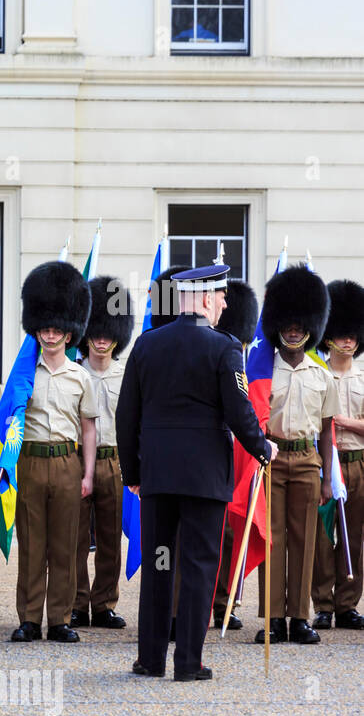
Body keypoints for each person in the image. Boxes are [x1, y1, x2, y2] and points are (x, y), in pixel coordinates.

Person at [117, 262, 274, 681]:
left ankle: (150, 660)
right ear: (206, 298)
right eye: (221, 297)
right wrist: (263, 449)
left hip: (158, 479)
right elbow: (241, 414)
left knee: (160, 564)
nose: (224, 304)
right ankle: (188, 662)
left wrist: (132, 472)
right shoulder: (224, 348)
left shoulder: (146, 345)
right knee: (200, 565)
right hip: (204, 481)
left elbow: (125, 414)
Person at [9, 261, 96, 645]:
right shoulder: (23, 373)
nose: (49, 334)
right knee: (31, 543)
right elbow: (9, 418)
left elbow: (89, 428)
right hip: (30, 458)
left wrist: (88, 474)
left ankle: (59, 618)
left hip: (65, 462)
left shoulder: (80, 376)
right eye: (44, 328)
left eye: (57, 329)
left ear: (69, 331)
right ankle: (29, 618)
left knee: (65, 543)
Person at [257, 265, 335, 646]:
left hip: (306, 461)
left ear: (310, 327)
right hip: (271, 460)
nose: (292, 330)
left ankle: (300, 617)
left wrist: (328, 477)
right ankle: (273, 617)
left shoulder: (321, 374)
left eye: (299, 325)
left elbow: (328, 430)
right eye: (286, 324)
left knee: (305, 540)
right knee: (271, 538)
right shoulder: (262, 369)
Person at [72, 275, 133, 630]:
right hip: (77, 459)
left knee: (110, 537)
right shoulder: (74, 372)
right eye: (96, 333)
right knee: (77, 537)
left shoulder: (127, 374)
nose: (101, 340)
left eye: (108, 334)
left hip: (114, 460)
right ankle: (78, 602)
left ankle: (104, 603)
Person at [311, 279, 364, 631]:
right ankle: (323, 604)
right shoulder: (317, 372)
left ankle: (347, 603)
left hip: (356, 462)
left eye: (353, 335)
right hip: (324, 465)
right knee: (320, 536)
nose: (348, 340)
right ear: (329, 336)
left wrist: (345, 421)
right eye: (342, 334)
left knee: (353, 536)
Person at [209, 278, 259, 631]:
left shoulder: (241, 360)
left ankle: (224, 599)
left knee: (230, 533)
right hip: (211, 447)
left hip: (236, 449)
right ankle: (201, 599)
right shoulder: (212, 352)